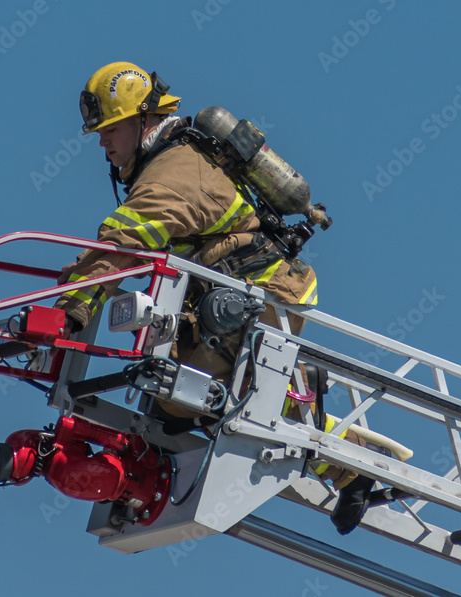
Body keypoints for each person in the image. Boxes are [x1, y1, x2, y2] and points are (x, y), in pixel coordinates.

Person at [54, 61, 375, 534]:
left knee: (193, 396)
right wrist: (75, 288)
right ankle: (336, 454)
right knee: (172, 405)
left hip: (259, 295)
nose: (102, 141)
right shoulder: (171, 160)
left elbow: (127, 239)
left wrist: (69, 310)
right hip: (234, 296)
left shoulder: (173, 172)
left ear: (144, 120)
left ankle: (347, 457)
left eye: (111, 128)